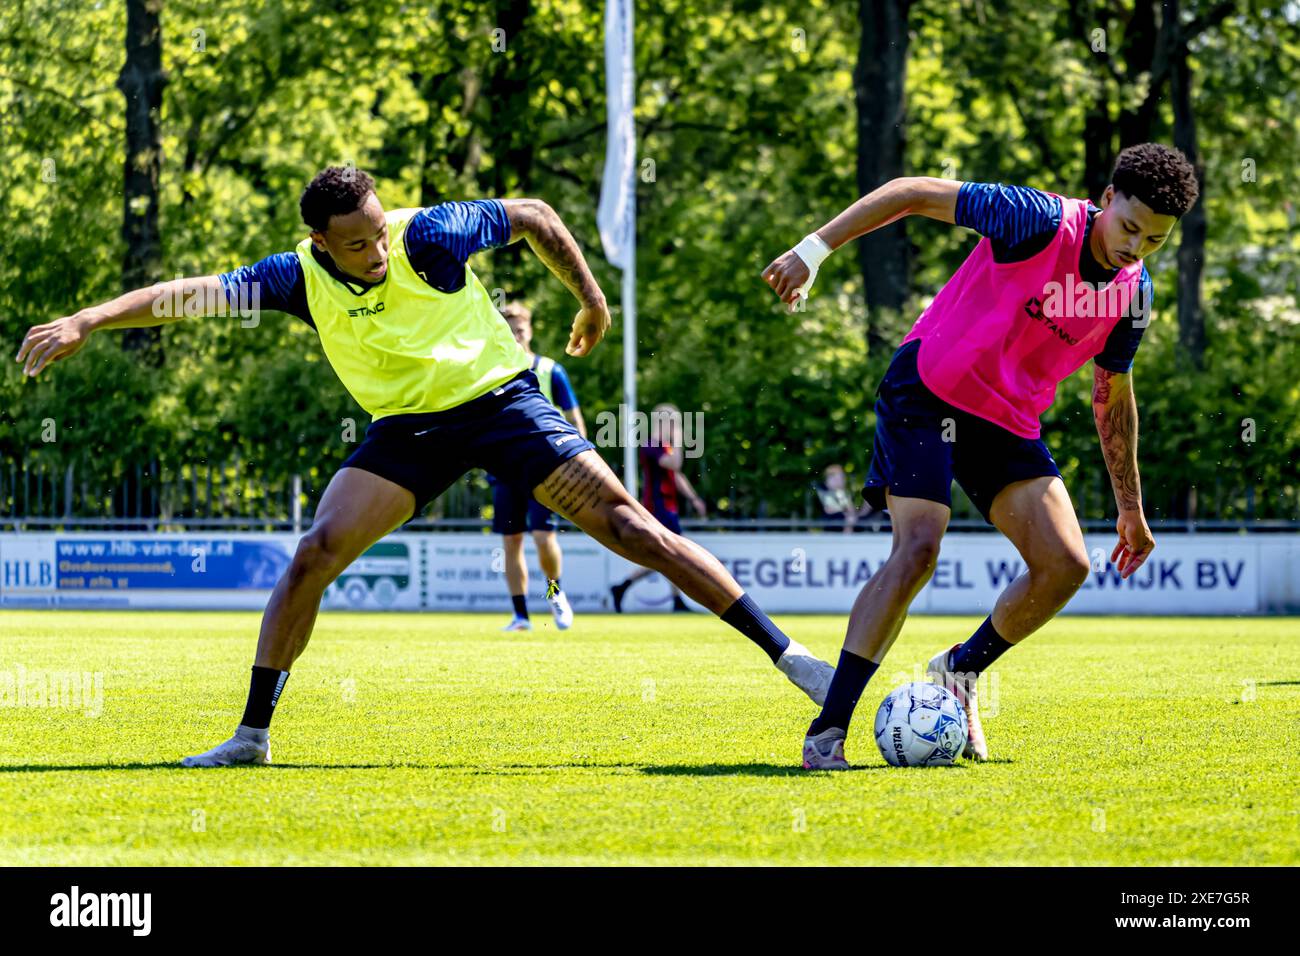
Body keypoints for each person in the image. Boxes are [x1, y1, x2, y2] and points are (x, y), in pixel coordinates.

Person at [17, 166, 834, 767]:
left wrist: (591, 299)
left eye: (377, 231)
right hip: (409, 432)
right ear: (318, 243)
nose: (375, 250)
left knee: (631, 528)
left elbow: (537, 215)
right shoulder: (294, 279)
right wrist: (90, 318)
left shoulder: (431, 234)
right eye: (355, 243)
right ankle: (252, 735)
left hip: (500, 405)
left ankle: (792, 658)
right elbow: (189, 293)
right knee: (314, 555)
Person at [763, 143, 1199, 769]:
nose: (1136, 247)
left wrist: (1131, 507)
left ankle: (958, 672)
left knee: (1066, 563)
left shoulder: (1133, 297)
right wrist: (813, 250)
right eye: (1130, 227)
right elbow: (911, 191)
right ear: (1105, 199)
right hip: (928, 389)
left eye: (1154, 242)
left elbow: (1112, 399)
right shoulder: (1037, 220)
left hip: (1005, 421)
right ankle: (828, 730)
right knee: (919, 548)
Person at [489, 301, 584, 632]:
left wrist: (578, 461)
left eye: (520, 329)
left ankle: (555, 594)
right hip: (503, 467)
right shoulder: (490, 370)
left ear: (530, 331)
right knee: (511, 542)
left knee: (544, 537)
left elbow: (575, 419)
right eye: (509, 328)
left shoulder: (550, 370)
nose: (515, 334)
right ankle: (520, 616)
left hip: (545, 466)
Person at [610, 403, 707, 613]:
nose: (675, 429)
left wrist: (693, 498)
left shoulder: (664, 446)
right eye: (674, 424)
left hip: (668, 506)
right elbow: (675, 465)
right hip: (658, 507)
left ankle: (626, 588)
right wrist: (680, 440)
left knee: (668, 555)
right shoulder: (651, 445)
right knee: (673, 553)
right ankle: (627, 587)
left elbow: (676, 476)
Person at [814, 464, 868, 533]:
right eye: (839, 478)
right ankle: (846, 536)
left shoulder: (842, 493)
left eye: (842, 478)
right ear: (829, 480)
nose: (842, 481)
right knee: (850, 519)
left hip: (843, 520)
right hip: (832, 521)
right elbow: (829, 509)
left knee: (853, 519)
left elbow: (851, 510)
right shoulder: (826, 493)